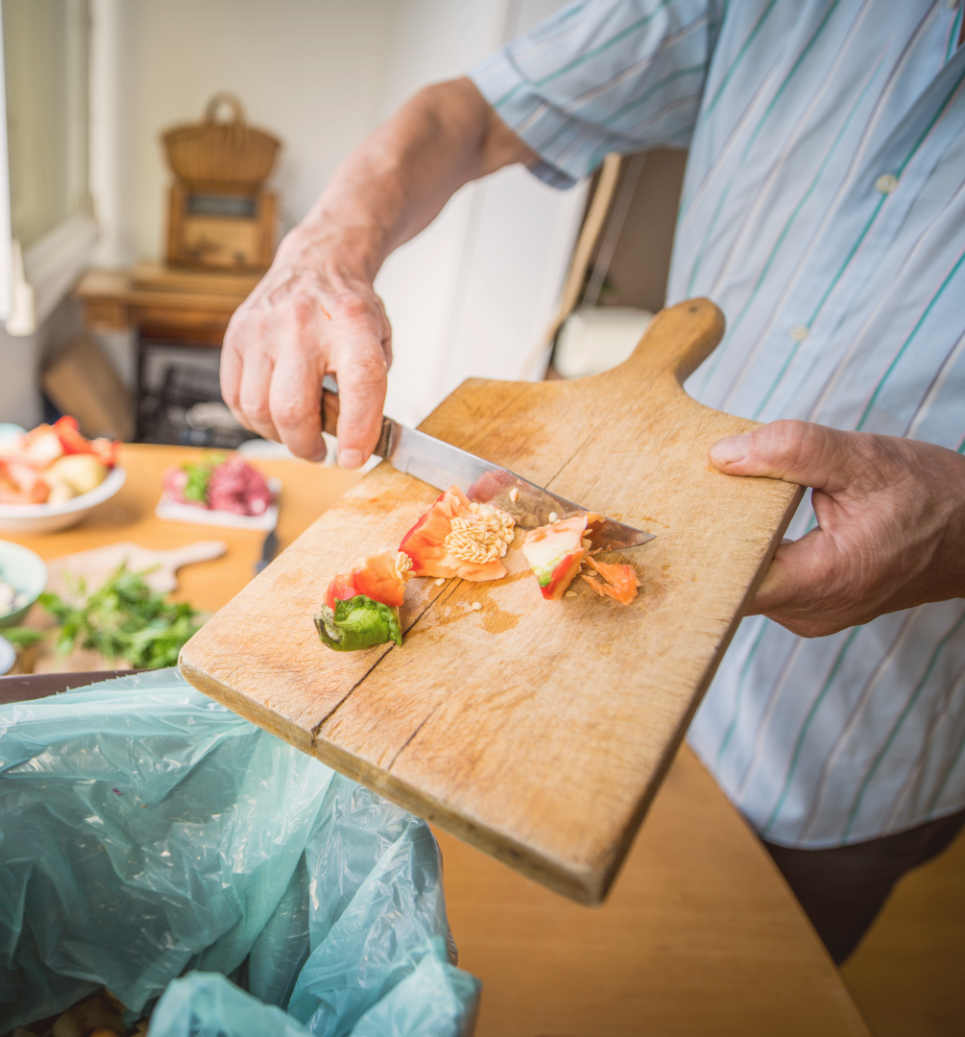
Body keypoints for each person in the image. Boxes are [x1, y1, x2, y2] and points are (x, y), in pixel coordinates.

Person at [221, 0, 965, 963]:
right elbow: (469, 113)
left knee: (725, 985)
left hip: (847, 739)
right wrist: (319, 250)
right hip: (579, 698)